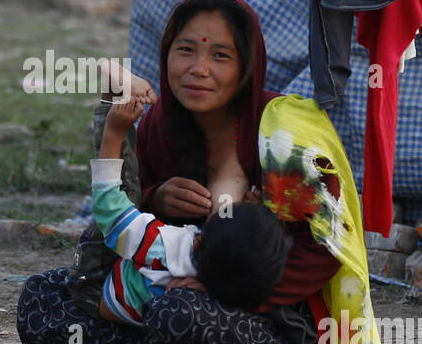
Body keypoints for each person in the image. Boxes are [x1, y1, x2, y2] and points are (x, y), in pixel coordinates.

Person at [17, 0, 352, 344]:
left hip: (261, 324)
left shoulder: (284, 137)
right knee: (42, 296)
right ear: (166, 55)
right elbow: (129, 224)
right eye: (186, 50)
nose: (199, 69)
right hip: (155, 297)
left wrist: (220, 286)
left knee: (178, 315)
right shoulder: (160, 124)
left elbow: (328, 248)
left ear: (247, 66)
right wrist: (156, 197)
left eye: (220, 56)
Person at [91, 95, 289, 327]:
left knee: (96, 231)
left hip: (109, 296)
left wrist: (113, 134)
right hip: (159, 321)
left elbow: (110, 211)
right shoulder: (235, 284)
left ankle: (107, 105)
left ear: (198, 240)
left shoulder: (165, 247)